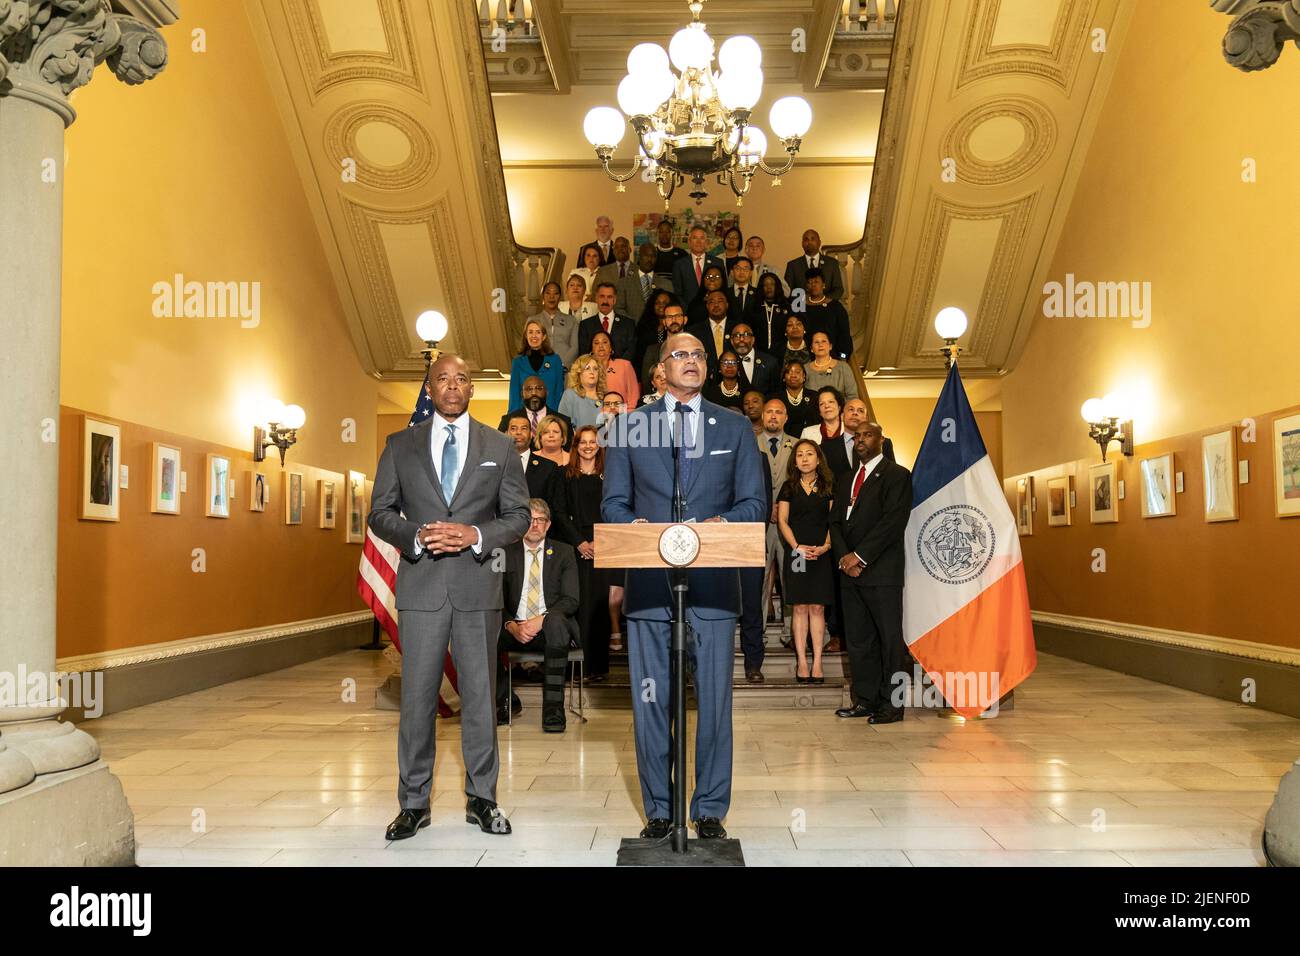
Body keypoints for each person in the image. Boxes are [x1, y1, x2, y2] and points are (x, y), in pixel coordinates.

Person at [603, 332, 765, 840]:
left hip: (715, 587)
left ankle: (710, 808)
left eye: (699, 355)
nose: (691, 361)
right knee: (651, 701)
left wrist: (715, 526)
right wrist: (639, 533)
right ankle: (659, 807)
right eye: (680, 354)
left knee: (714, 703)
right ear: (661, 368)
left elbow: (754, 505)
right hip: (651, 588)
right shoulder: (630, 428)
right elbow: (613, 506)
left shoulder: (736, 427)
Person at [369, 354, 530, 841]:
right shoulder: (400, 444)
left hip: (478, 590)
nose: (453, 386)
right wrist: (417, 536)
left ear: (471, 389)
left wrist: (474, 535)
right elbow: (380, 513)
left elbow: (518, 516)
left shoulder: (500, 446)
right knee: (417, 700)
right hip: (421, 590)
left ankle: (483, 800)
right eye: (443, 379)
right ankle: (413, 804)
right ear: (430, 387)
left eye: (462, 379)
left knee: (480, 698)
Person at [830, 422, 913, 724]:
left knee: (889, 641)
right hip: (849, 573)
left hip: (881, 572)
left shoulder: (897, 475)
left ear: (881, 440)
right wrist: (843, 557)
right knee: (859, 640)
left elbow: (893, 522)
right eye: (857, 437)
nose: (860, 440)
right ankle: (864, 700)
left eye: (867, 435)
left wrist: (860, 556)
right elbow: (836, 522)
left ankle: (892, 706)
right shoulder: (846, 478)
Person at [495, 499, 580, 733]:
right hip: (514, 629)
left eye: (540, 520)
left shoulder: (564, 552)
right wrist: (512, 625)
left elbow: (571, 599)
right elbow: (494, 599)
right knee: (480, 630)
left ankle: (553, 711)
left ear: (548, 524)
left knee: (556, 621)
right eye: (530, 520)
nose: (535, 525)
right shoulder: (503, 553)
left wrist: (540, 620)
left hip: (550, 629)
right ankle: (503, 702)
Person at [777, 440, 835, 684]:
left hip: (822, 551)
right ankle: (802, 661)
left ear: (818, 459)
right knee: (799, 607)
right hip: (797, 553)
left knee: (818, 608)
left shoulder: (829, 487)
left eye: (809, 454)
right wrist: (797, 547)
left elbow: (835, 521)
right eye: (799, 455)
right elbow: (782, 521)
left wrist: (826, 546)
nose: (804, 459)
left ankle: (818, 662)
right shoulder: (788, 487)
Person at [561, 425, 615, 680]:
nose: (588, 446)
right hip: (576, 548)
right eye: (583, 442)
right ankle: (577, 668)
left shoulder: (611, 475)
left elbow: (616, 510)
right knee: (578, 605)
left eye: (593, 442)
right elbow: (559, 513)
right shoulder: (565, 476)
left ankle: (597, 667)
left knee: (599, 607)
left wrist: (599, 542)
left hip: (604, 546)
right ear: (576, 446)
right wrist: (580, 543)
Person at [758, 399, 795, 629]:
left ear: (785, 417)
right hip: (759, 522)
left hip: (788, 522)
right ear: (762, 416)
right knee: (758, 579)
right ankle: (758, 629)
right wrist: (766, 506)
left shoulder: (799, 445)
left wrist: (782, 505)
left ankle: (792, 631)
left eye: (778, 412)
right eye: (769, 412)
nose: (773, 416)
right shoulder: (750, 443)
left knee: (790, 576)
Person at [504, 413, 566, 523]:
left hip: (538, 531)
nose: (518, 432)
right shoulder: (495, 464)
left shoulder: (549, 468)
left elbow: (555, 508)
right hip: (503, 532)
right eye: (513, 428)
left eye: (524, 428)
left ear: (531, 434)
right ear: (506, 433)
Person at [497, 375, 573, 449]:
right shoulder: (507, 420)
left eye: (539, 388)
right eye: (529, 389)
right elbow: (500, 448)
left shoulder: (564, 421)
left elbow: (570, 451)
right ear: (522, 394)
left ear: (547, 392)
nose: (534, 393)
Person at [507, 319, 566, 414]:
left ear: (544, 336)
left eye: (538, 332)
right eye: (530, 332)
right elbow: (514, 394)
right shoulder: (517, 362)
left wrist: (557, 416)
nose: (534, 336)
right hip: (525, 417)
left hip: (550, 415)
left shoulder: (555, 360)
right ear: (526, 336)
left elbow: (559, 391)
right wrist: (511, 418)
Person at [527, 280, 579, 370]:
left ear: (560, 297)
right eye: (548, 293)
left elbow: (575, 347)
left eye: (555, 293)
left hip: (564, 370)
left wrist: (562, 364)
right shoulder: (532, 320)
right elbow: (527, 347)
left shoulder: (571, 320)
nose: (552, 297)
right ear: (543, 296)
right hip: (539, 369)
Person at [578, 281, 636, 361]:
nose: (605, 301)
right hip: (595, 371)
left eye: (609, 297)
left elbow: (631, 351)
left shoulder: (628, 324)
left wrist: (616, 367)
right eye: (602, 296)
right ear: (596, 299)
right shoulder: (585, 325)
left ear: (614, 300)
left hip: (621, 370)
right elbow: (584, 354)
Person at [802, 270, 853, 360]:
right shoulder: (800, 308)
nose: (813, 285)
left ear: (824, 285)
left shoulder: (836, 307)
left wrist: (843, 356)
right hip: (807, 357)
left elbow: (844, 334)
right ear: (806, 287)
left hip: (833, 356)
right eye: (810, 282)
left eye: (816, 282)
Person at [784, 228, 844, 301]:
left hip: (826, 307)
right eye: (806, 239)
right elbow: (787, 291)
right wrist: (806, 301)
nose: (809, 242)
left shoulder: (832, 263)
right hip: (802, 308)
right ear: (802, 244)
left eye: (813, 239)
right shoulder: (793, 265)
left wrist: (822, 300)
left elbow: (838, 289)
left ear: (819, 242)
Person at [672, 224, 724, 304]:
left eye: (702, 238)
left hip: (713, 310)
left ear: (707, 242)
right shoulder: (679, 264)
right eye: (695, 238)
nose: (698, 242)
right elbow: (678, 293)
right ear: (689, 242)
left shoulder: (718, 263)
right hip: (688, 312)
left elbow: (722, 289)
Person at [803, 330, 860, 402]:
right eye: (816, 342)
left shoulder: (843, 367)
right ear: (811, 349)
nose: (820, 345)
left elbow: (853, 397)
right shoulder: (805, 369)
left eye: (824, 341)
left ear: (830, 346)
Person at [640, 300, 686, 387]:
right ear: (664, 322)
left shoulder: (696, 347)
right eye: (669, 317)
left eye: (677, 316)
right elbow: (647, 383)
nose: (674, 320)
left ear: (685, 319)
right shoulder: (652, 351)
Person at [590, 329, 640, 409]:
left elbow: (634, 395)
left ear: (611, 348)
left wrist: (628, 413)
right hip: (595, 414)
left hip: (623, 414)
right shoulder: (587, 369)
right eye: (596, 343)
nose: (600, 346)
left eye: (605, 342)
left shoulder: (625, 365)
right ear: (592, 349)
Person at [558, 354, 605, 429]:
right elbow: (563, 424)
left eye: (595, 369)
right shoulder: (570, 395)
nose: (592, 372)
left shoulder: (605, 397)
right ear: (579, 373)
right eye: (587, 368)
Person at [617, 242, 662, 322]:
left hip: (658, 331)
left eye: (653, 256)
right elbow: (618, 308)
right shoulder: (624, 283)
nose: (649, 259)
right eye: (646, 255)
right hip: (631, 330)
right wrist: (632, 324)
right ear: (639, 257)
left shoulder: (666, 284)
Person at [730, 322, 776, 396]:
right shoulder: (725, 362)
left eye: (746, 335)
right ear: (731, 341)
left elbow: (775, 393)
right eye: (737, 335)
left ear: (753, 340)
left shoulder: (770, 362)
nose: (741, 339)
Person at [777, 359, 819, 437]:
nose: (793, 375)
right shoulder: (776, 399)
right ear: (783, 377)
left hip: (811, 440)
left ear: (804, 377)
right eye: (789, 372)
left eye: (797, 372)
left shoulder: (815, 397)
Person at [754, 271, 791, 355]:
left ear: (777, 286)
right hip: (759, 353)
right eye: (765, 285)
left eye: (772, 284)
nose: (769, 287)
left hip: (783, 352)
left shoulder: (787, 307)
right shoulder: (753, 308)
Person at [653, 219, 687, 286]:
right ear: (657, 234)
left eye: (667, 232)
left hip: (675, 292)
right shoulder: (652, 253)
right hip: (655, 291)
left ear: (672, 233)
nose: (664, 234)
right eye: (661, 232)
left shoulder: (681, 253)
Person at [727, 256, 758, 328]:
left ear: (751, 273)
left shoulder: (758, 293)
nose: (742, 272)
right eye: (737, 268)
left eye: (746, 268)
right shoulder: (725, 293)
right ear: (731, 272)